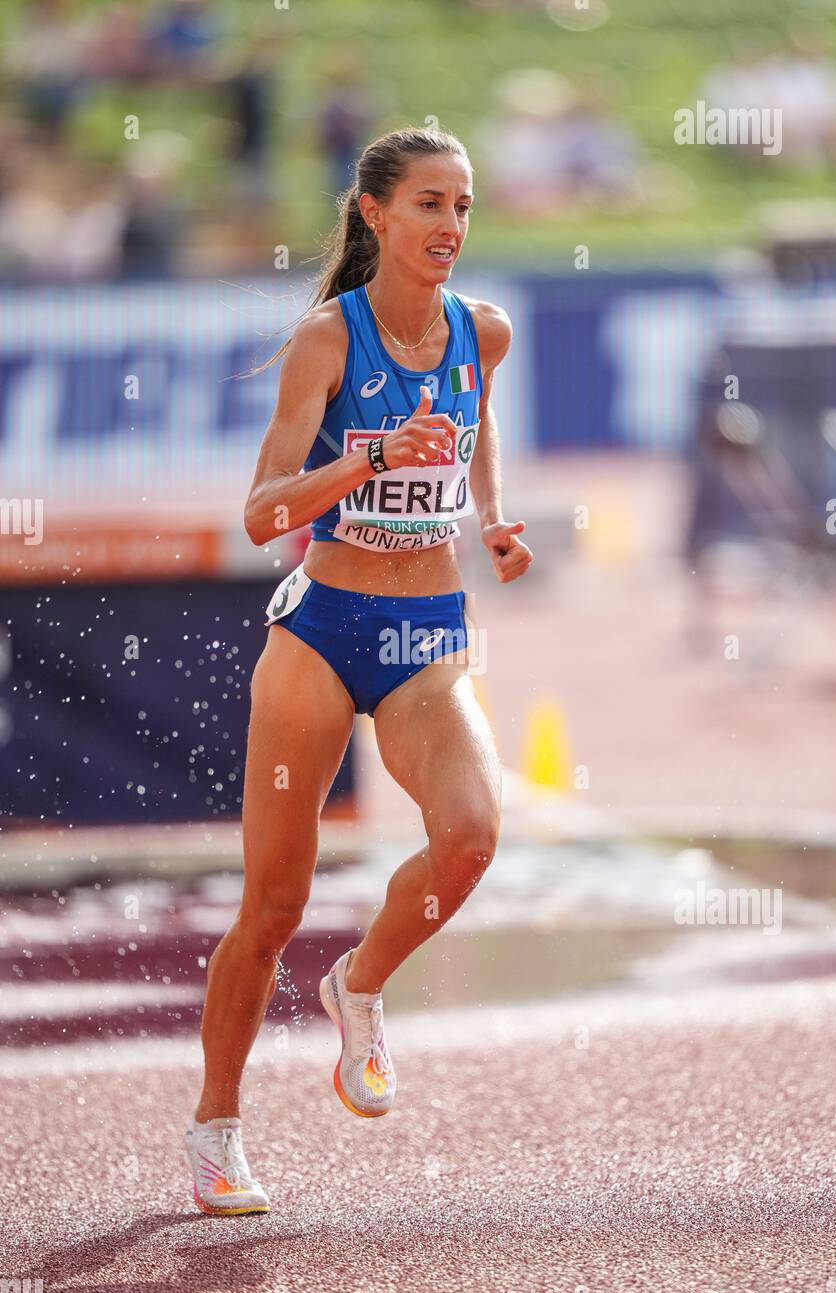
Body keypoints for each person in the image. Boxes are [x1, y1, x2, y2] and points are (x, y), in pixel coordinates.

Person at [184, 125, 532, 1215]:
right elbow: (258, 513)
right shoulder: (326, 342)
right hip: (323, 630)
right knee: (273, 905)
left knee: (470, 836)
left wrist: (489, 518)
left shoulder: (485, 331)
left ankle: (362, 982)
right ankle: (217, 1125)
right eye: (429, 203)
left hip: (429, 632)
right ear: (375, 214)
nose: (450, 227)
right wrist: (370, 456)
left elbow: (467, 432)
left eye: (463, 206)